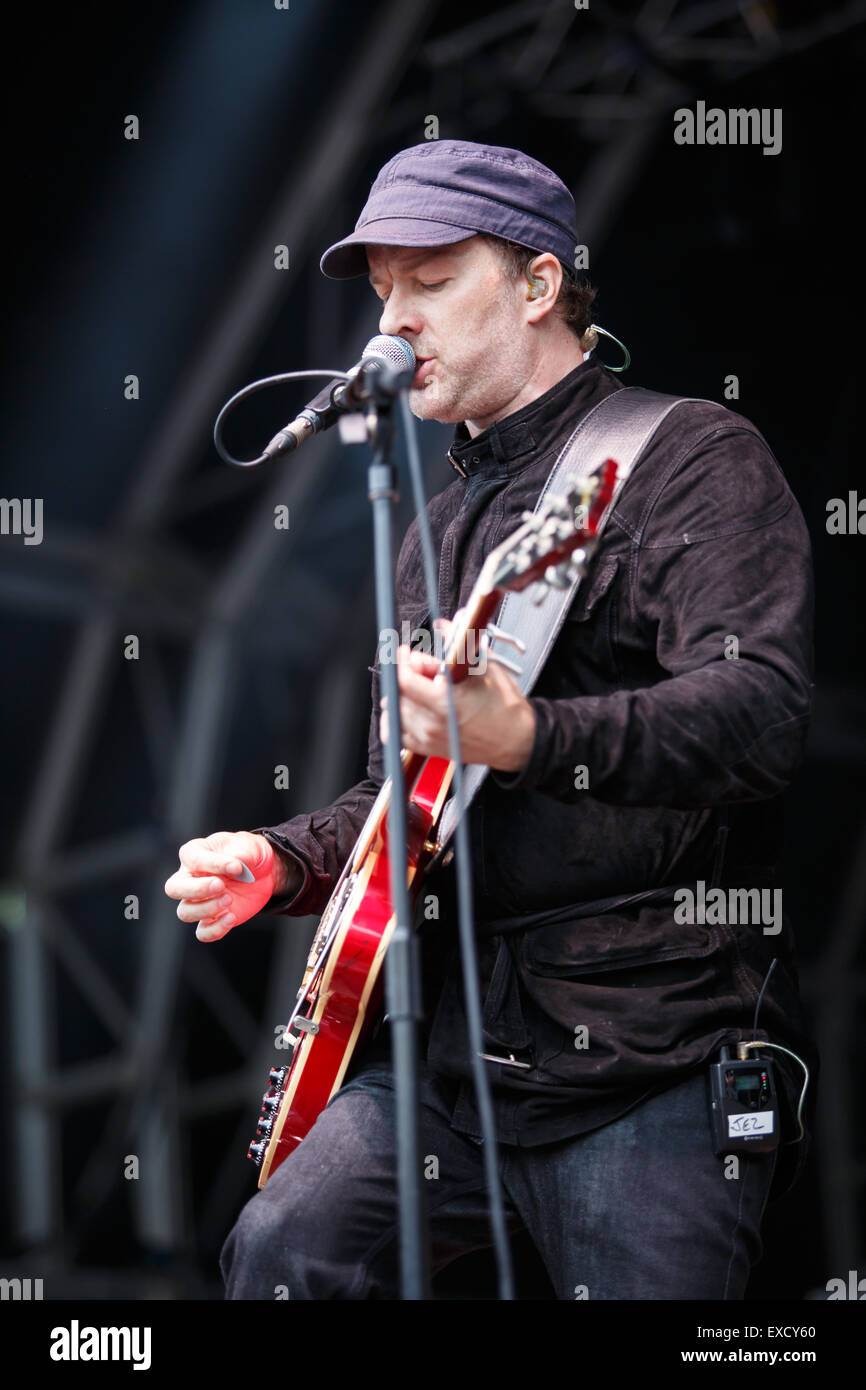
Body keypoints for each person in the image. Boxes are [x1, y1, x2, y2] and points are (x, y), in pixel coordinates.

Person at [164, 140, 816, 1300]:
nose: (392, 322)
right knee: (279, 1253)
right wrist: (280, 859)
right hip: (455, 1064)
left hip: (648, 1055)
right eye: (380, 294)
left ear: (534, 285)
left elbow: (759, 719)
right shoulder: (430, 530)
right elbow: (408, 795)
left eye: (430, 282)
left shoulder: (686, 459)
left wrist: (534, 739)